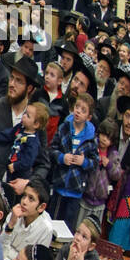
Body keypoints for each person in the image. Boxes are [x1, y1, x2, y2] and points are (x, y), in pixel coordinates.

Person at [49, 92, 98, 226]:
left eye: (83, 110)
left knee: (67, 228)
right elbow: (51, 149)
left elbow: (95, 163)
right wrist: (61, 157)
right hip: (59, 185)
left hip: (75, 190)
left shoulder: (91, 137)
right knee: (52, 223)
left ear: (89, 117)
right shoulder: (64, 127)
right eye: (77, 107)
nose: (78, 111)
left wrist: (84, 162)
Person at [1, 181, 54, 260]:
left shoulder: (46, 229)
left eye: (31, 199)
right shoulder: (15, 212)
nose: (24, 202)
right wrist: (11, 224)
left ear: (41, 207)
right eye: (24, 196)